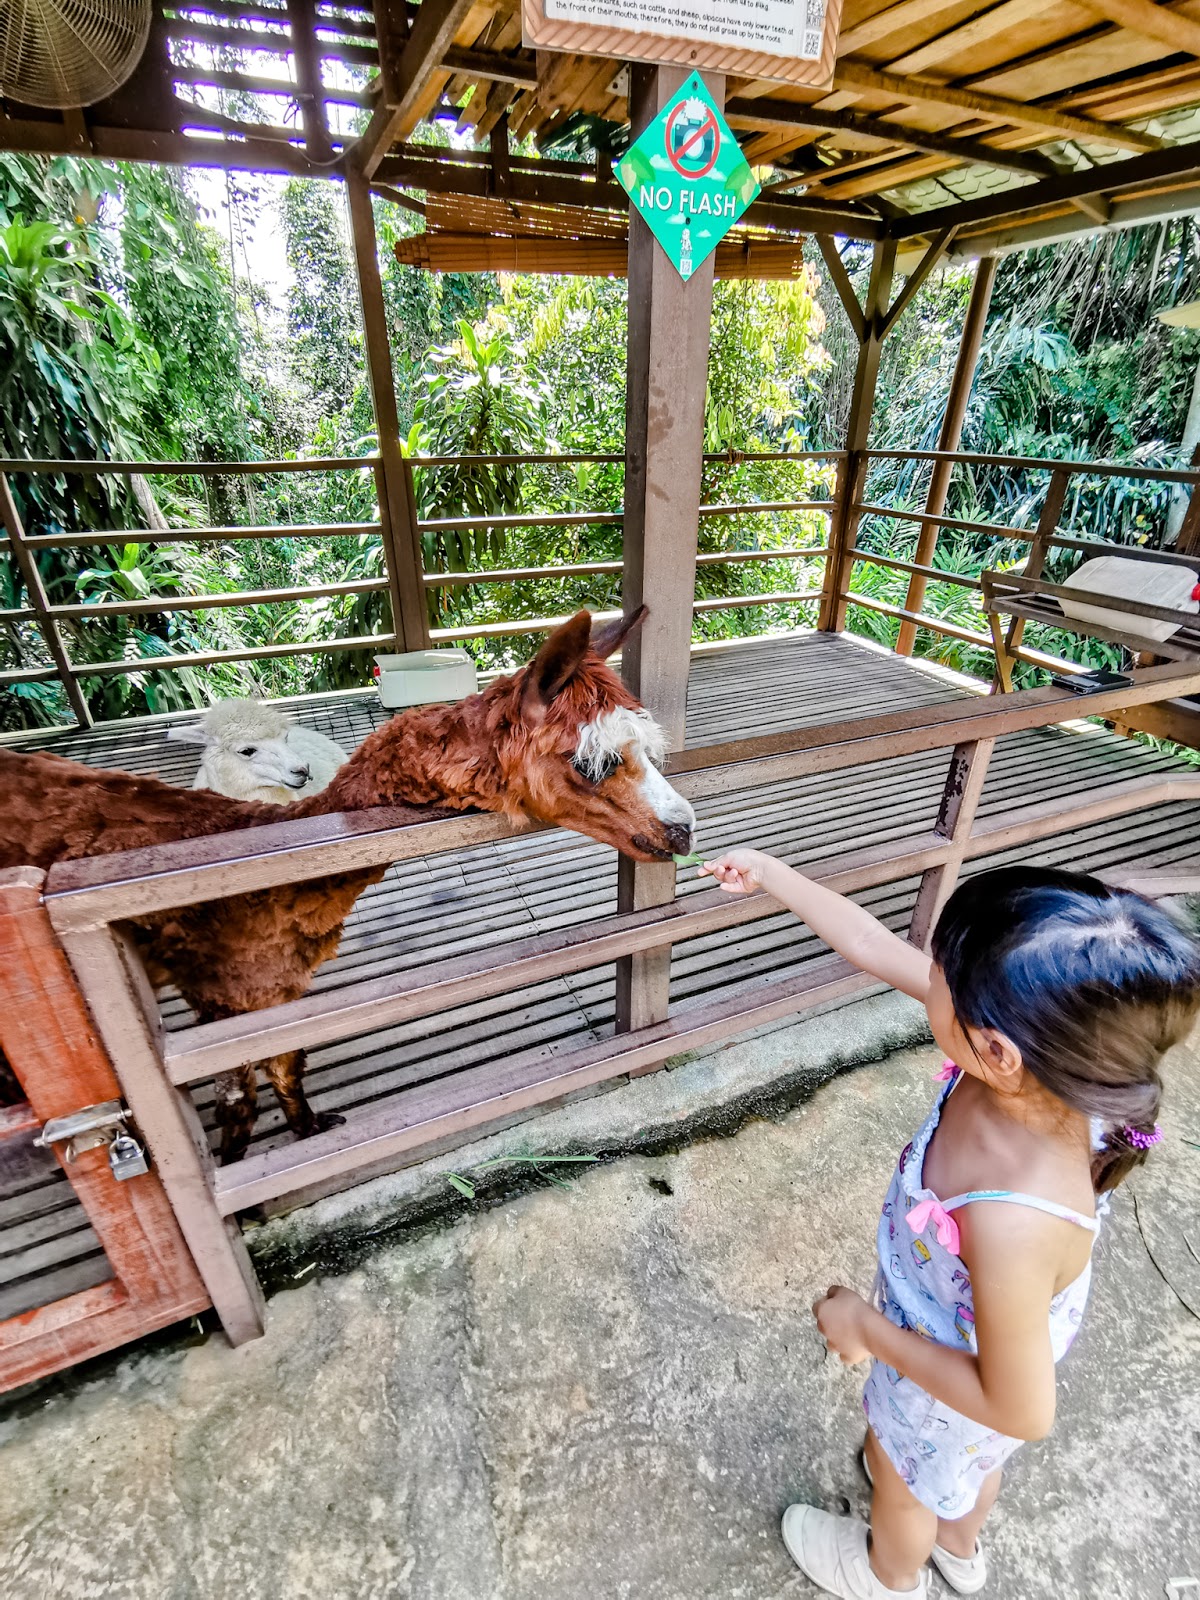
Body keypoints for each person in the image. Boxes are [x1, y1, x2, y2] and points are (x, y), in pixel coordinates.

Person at [699, 854, 1200, 1600]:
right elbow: (870, 944)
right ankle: (959, 1548)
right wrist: (771, 874)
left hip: (950, 1378)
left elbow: (1020, 1408)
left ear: (997, 1049)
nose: (926, 976)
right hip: (981, 1352)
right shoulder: (1053, 1063)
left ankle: (888, 1574)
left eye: (940, 975)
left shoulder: (1012, 1220)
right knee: (968, 1465)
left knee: (901, 1478)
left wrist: (867, 1330)